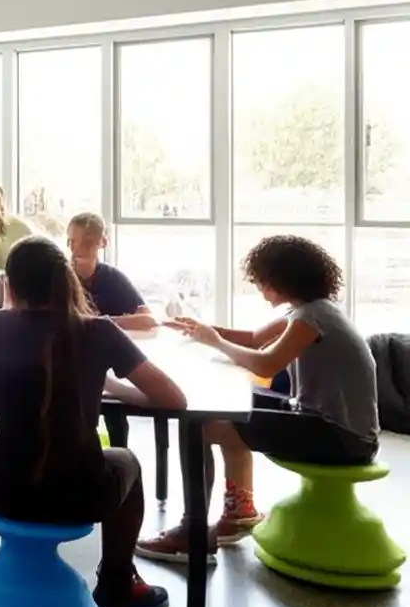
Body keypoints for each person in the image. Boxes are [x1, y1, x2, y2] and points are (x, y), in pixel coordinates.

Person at [0, 235, 186, 607]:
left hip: (1, 490)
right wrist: (113, 386)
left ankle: (14, 568)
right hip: (80, 494)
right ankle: (117, 583)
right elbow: (173, 398)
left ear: (10, 284)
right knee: (126, 460)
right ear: (65, 279)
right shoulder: (100, 331)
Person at [137, 235, 379, 563]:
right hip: (334, 425)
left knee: (201, 427)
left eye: (262, 282)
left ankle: (192, 535)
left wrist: (216, 341)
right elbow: (253, 339)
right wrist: (199, 328)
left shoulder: (310, 319)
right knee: (233, 408)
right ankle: (239, 513)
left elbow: (266, 362)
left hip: (341, 437)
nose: (260, 289)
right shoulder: (309, 311)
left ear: (280, 280)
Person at [65, 212, 158, 449]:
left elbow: (147, 319)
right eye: (73, 242)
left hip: (106, 358)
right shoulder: (61, 276)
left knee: (115, 412)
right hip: (67, 357)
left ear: (101, 243)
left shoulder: (111, 277)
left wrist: (107, 323)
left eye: (87, 242)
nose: (78, 249)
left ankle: (118, 455)